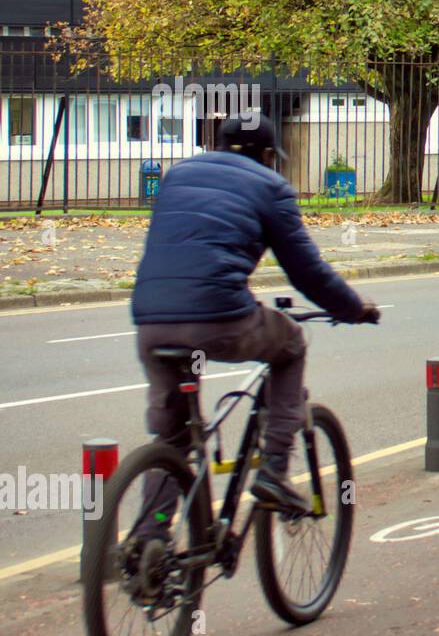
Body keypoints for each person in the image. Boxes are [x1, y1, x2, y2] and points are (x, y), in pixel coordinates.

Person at [130, 111, 379, 522]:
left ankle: (150, 547)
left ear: (220, 144)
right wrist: (354, 309)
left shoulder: (178, 175)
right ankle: (275, 471)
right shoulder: (271, 187)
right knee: (291, 344)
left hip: (151, 321)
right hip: (219, 317)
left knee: (172, 440)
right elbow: (306, 272)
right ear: (267, 154)